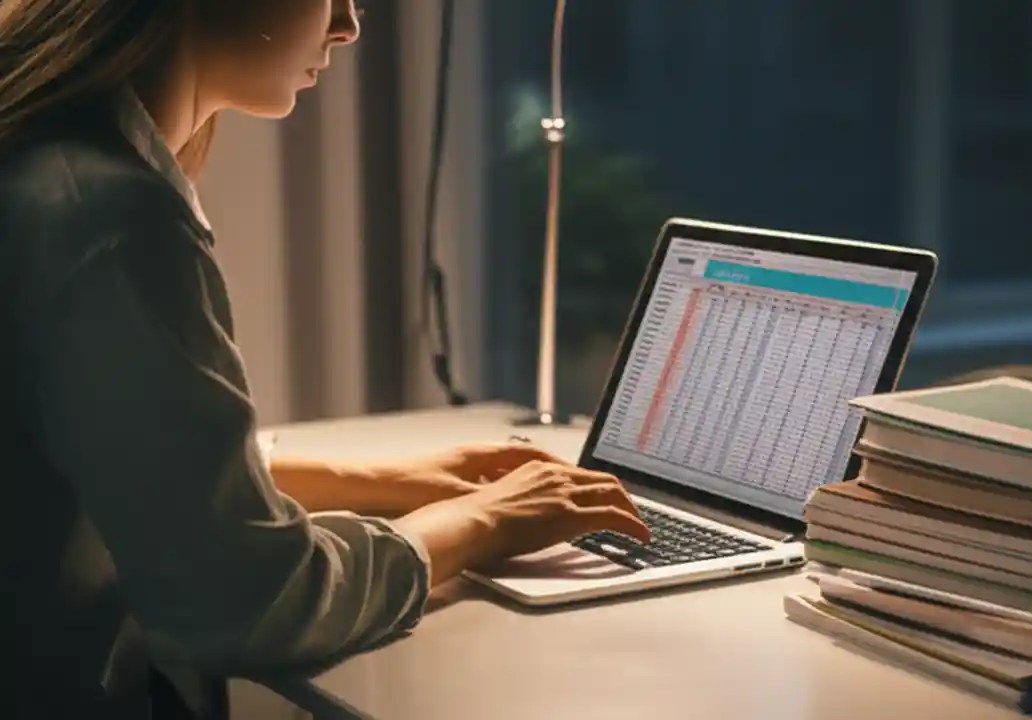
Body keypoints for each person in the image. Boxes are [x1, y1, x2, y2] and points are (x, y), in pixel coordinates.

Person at [0, 2, 649, 717]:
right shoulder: (107, 211)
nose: (348, 27)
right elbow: (245, 602)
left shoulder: (49, 156)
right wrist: (481, 523)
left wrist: (377, 480)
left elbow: (115, 453)